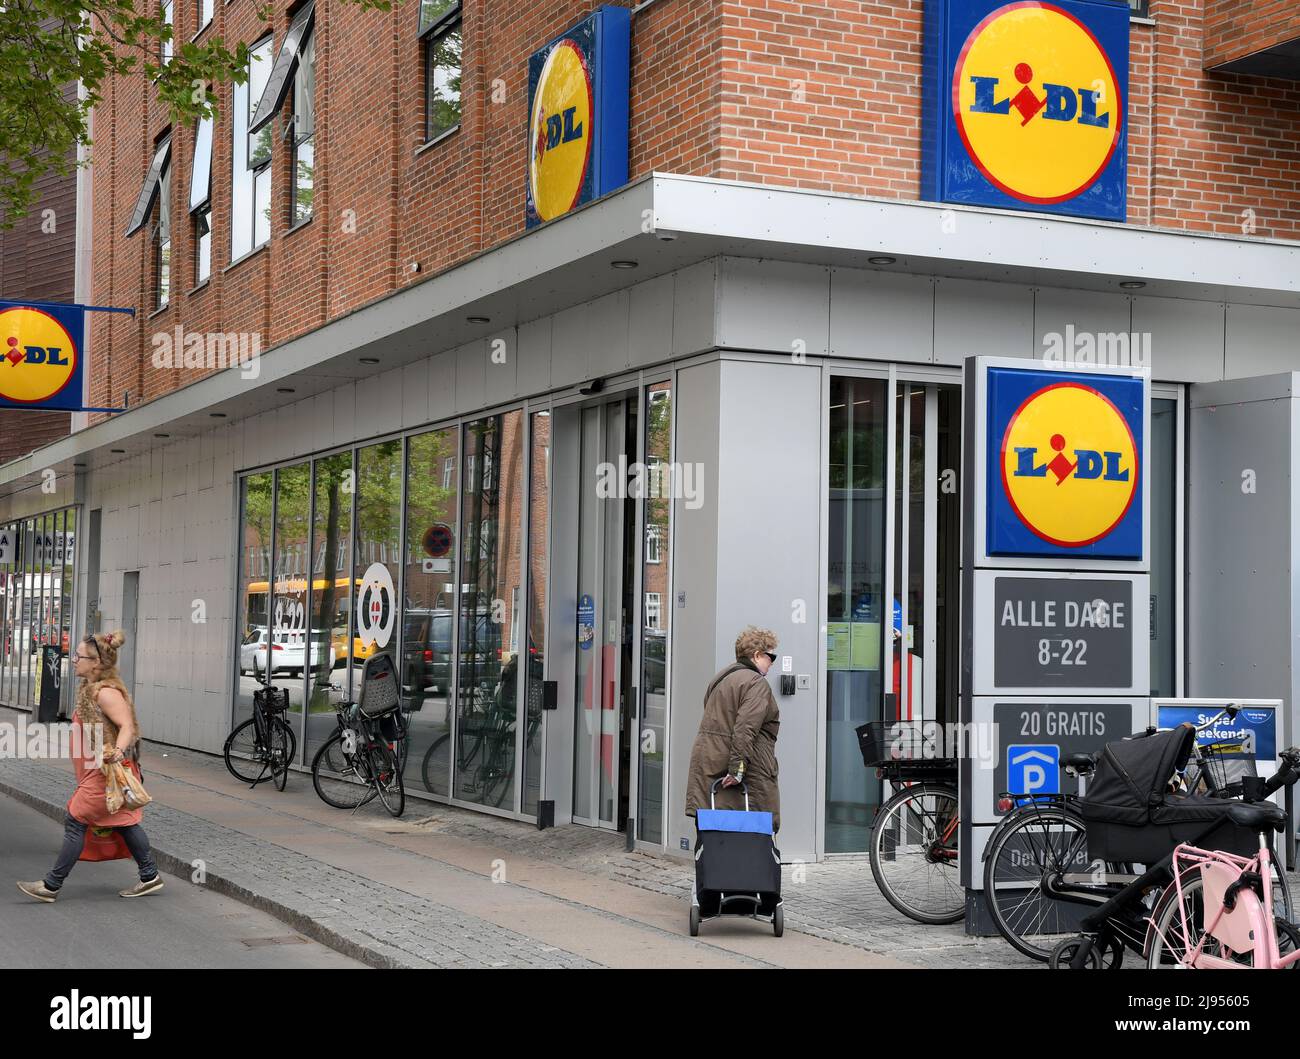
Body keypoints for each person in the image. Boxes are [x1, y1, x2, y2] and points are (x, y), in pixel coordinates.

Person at [17, 630, 163, 902]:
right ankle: (149, 875)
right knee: (124, 821)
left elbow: (127, 726)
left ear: (96, 662)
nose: (73, 660)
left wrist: (117, 752)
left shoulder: (105, 692)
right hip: (97, 771)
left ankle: (51, 885)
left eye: (79, 656)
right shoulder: (90, 690)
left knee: (76, 819)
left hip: (103, 772)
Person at [685, 625, 782, 832]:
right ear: (757, 655)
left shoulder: (721, 678)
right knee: (751, 833)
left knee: (714, 830)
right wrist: (737, 770)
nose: (772, 663)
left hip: (710, 760)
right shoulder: (756, 683)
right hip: (748, 768)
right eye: (771, 657)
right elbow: (745, 728)